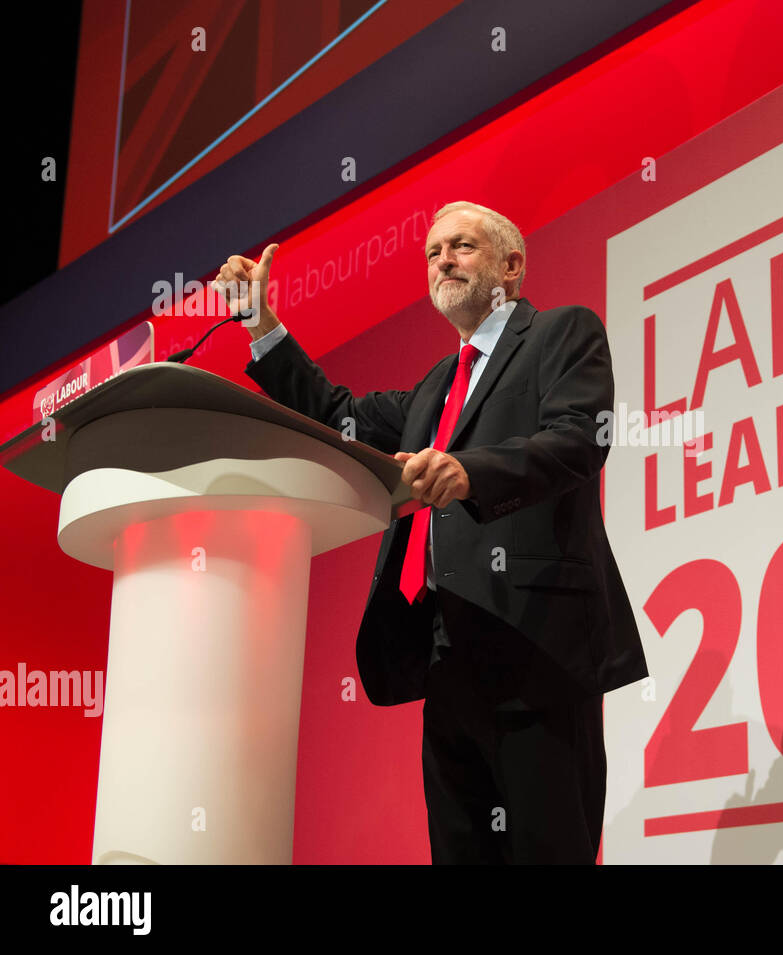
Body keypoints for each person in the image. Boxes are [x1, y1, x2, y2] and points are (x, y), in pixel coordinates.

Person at [217, 200, 648, 864]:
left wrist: (470, 471)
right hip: (445, 658)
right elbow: (340, 414)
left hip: (536, 645)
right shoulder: (434, 388)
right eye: (431, 252)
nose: (442, 259)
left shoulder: (562, 333)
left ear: (512, 264)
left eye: (462, 247)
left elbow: (576, 440)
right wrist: (260, 322)